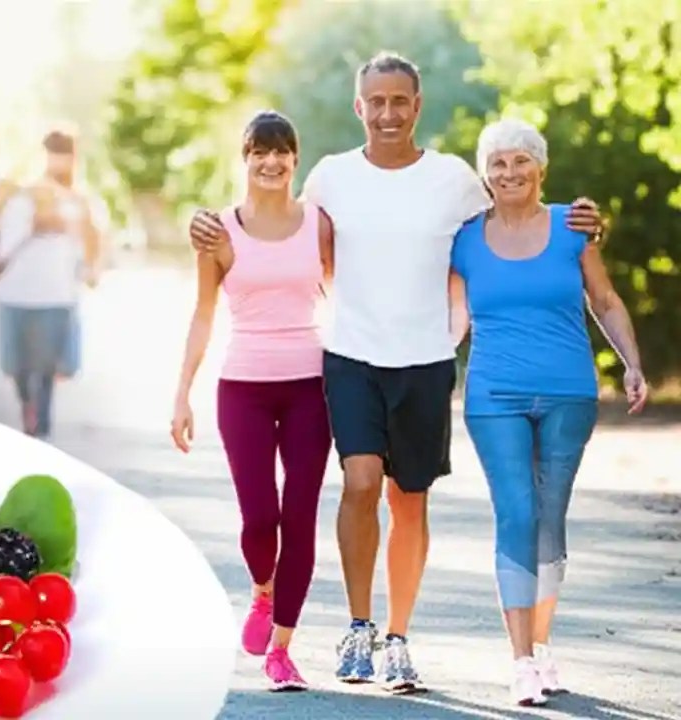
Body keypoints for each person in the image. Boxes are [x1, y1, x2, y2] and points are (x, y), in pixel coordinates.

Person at [187, 51, 606, 692]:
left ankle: (398, 637)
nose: (387, 113)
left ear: (417, 106)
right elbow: (279, 222)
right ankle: (358, 629)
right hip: (351, 356)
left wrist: (577, 220)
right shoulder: (330, 177)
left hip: (426, 360)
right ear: (360, 108)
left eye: (398, 101)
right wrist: (209, 223)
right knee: (359, 484)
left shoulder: (454, 179)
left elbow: (512, 213)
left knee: (407, 500)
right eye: (374, 102)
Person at [450, 117, 647, 706]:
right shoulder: (463, 239)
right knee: (515, 513)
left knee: (549, 516)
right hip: (494, 396)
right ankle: (520, 661)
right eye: (498, 164)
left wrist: (632, 364)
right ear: (485, 175)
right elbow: (446, 314)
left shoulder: (572, 228)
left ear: (540, 168)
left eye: (520, 161)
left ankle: (540, 645)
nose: (509, 172)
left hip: (568, 392)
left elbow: (606, 302)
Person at [170, 111, 333, 691]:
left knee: (302, 515)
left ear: (296, 158)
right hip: (243, 388)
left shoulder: (319, 223)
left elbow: (349, 295)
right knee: (261, 517)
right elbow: (203, 313)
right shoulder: (218, 232)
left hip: (311, 385)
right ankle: (262, 591)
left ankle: (283, 649)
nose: (271, 162)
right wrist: (182, 392)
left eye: (282, 151)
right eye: (259, 152)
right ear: (245, 159)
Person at [0, 127, 103, 439]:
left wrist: (89, 265)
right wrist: (33, 223)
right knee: (18, 366)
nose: (57, 161)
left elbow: (93, 242)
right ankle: (29, 407)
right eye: (52, 152)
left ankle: (40, 422)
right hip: (14, 290)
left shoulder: (81, 200)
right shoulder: (17, 194)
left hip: (57, 293)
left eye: (64, 153)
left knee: (47, 365)